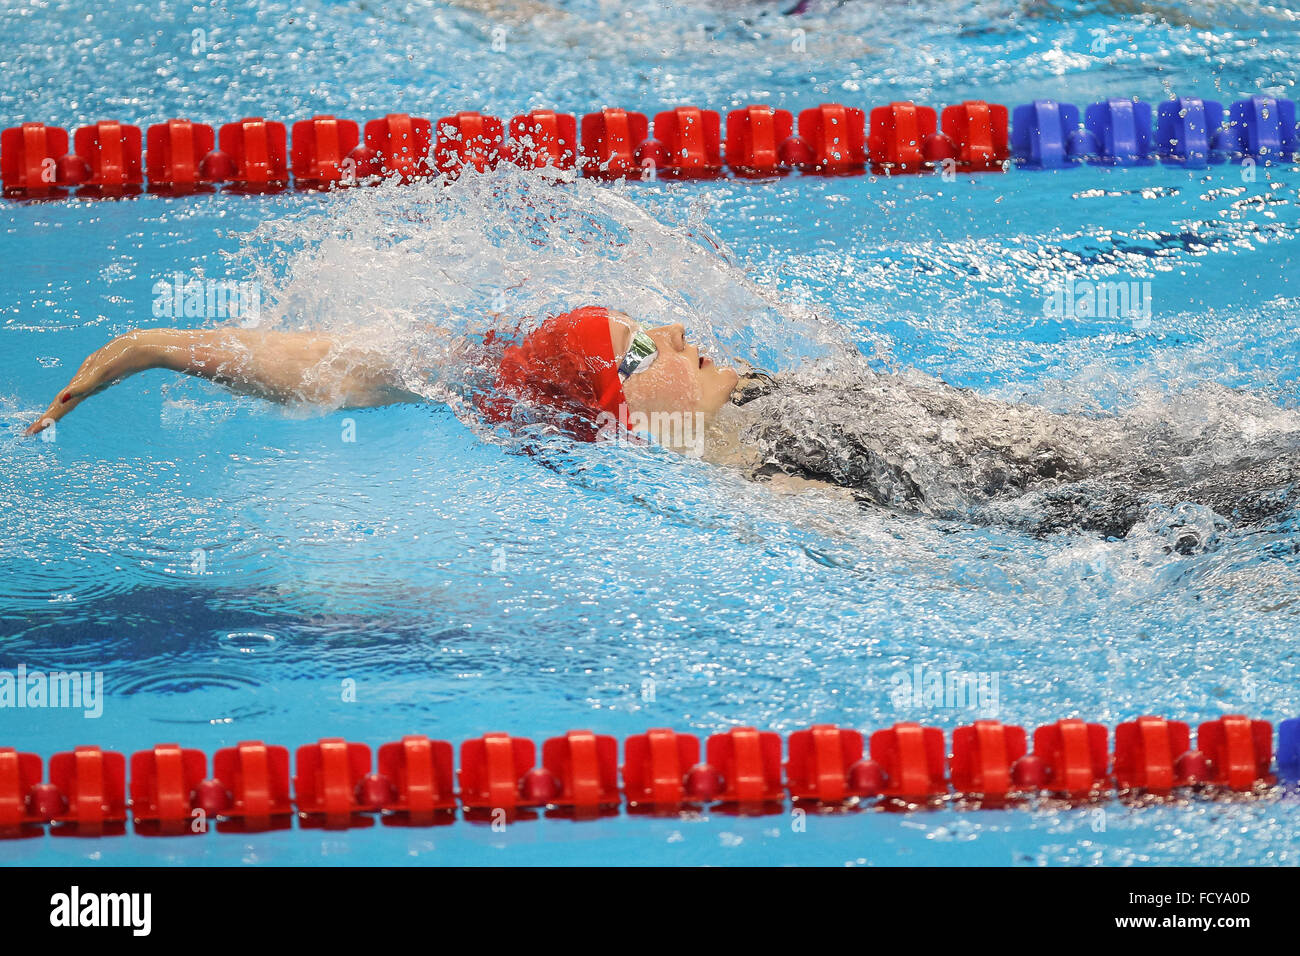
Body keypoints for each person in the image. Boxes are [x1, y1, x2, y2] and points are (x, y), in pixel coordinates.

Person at [24, 305, 1300, 540]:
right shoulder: (754, 469)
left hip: (1071, 447)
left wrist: (146, 348)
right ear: (626, 409)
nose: (687, 337)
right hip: (1117, 497)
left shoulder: (555, 389)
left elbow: (356, 364)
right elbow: (894, 553)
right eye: (655, 349)